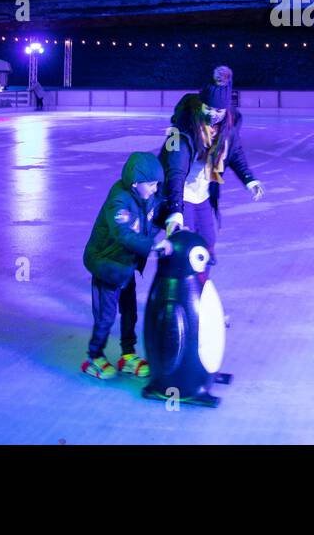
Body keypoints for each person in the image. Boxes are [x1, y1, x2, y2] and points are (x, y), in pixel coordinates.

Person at [158, 67, 264, 262]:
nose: (214, 114)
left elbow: (235, 153)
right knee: (183, 246)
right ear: (201, 105)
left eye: (219, 110)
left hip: (204, 194)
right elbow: (175, 171)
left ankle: (201, 284)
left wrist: (249, 180)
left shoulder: (227, 129)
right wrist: (174, 211)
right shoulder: (181, 130)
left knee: (207, 243)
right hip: (181, 193)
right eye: (209, 108)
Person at [81, 152, 170, 380]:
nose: (154, 189)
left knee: (129, 311)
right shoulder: (118, 200)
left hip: (126, 265)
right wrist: (153, 246)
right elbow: (123, 234)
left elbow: (158, 213)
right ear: (135, 183)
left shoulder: (148, 196)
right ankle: (94, 357)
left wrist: (172, 222)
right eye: (151, 185)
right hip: (107, 263)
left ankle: (128, 356)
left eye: (156, 184)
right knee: (106, 315)